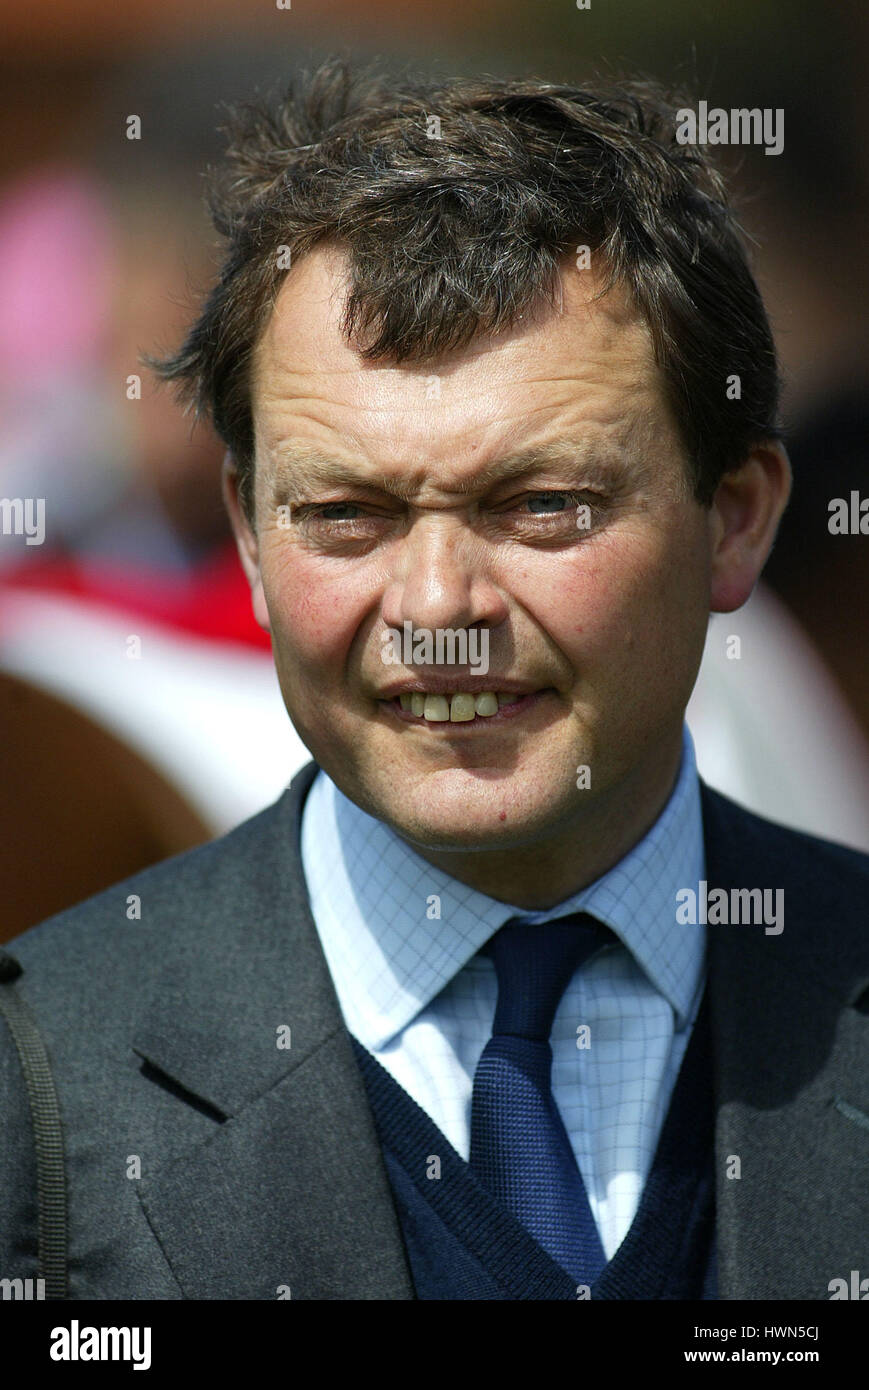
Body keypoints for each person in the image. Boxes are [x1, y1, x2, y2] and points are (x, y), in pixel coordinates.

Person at [2, 56, 867, 1302]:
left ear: (732, 518)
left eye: (540, 505)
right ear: (249, 535)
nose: (435, 605)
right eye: (346, 513)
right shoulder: (36, 1092)